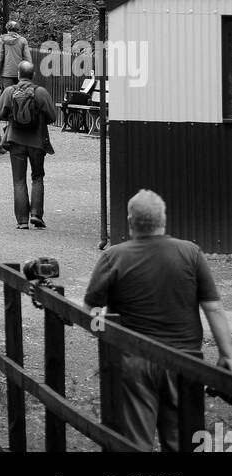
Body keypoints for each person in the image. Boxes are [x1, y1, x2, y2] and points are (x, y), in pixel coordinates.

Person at [84, 190, 232, 451]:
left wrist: (104, 338)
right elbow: (213, 308)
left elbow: (90, 309)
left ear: (131, 221)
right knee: (182, 442)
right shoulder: (191, 253)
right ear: (163, 219)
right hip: (185, 361)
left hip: (134, 362)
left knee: (135, 442)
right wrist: (227, 354)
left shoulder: (113, 257)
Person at [0, 58, 56, 229]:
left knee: (19, 180)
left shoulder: (9, 91)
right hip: (37, 141)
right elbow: (53, 116)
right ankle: (36, 215)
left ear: (19, 74)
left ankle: (22, 221)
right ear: (33, 74)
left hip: (16, 141)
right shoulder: (41, 92)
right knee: (37, 177)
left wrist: (12, 116)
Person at [0, 18, 32, 90]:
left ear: (7, 28)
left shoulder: (2, 40)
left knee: (8, 95)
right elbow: (27, 58)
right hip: (20, 73)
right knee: (20, 95)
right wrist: (29, 73)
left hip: (6, 74)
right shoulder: (22, 40)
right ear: (17, 29)